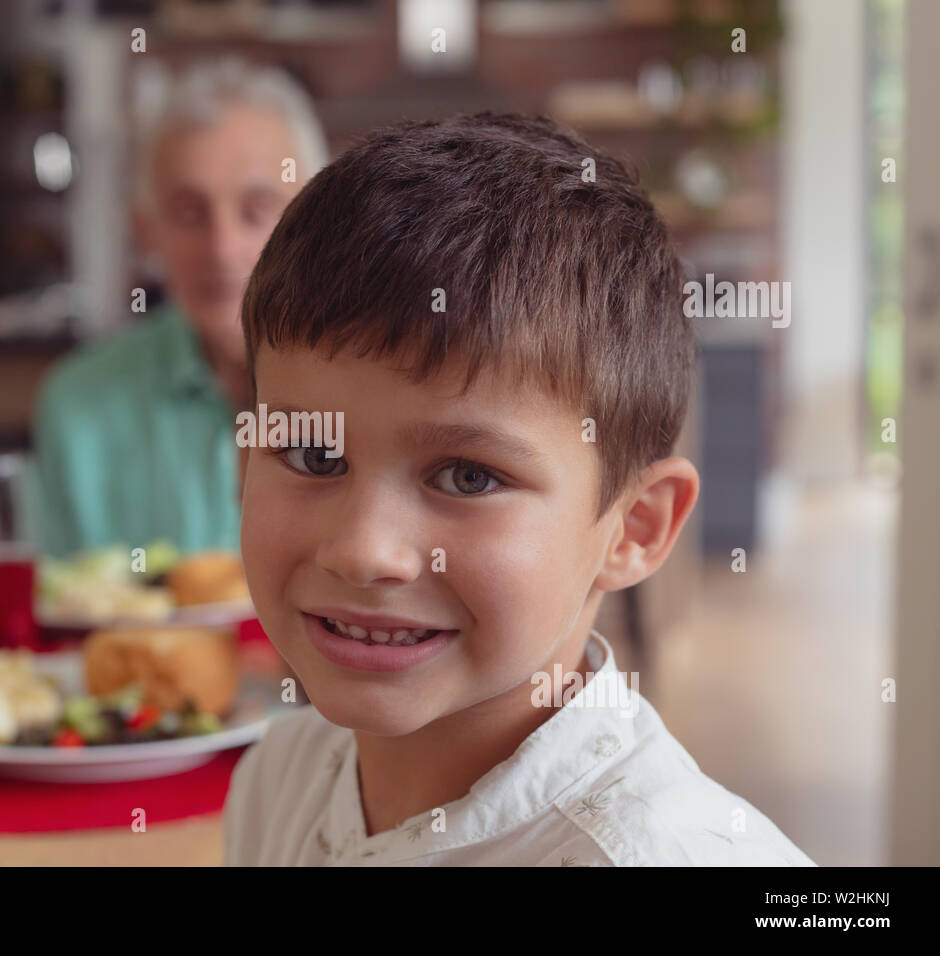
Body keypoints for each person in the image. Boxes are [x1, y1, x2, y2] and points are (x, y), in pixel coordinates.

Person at [223, 113, 815, 865]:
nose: (363, 551)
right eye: (312, 456)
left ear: (634, 528)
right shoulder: (277, 781)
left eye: (468, 477)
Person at [31, 57, 327, 557]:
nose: (222, 247)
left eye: (257, 211)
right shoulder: (79, 405)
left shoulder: (375, 390)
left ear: (317, 219)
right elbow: (60, 609)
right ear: (147, 231)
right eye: (189, 215)